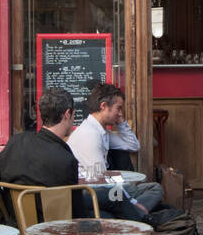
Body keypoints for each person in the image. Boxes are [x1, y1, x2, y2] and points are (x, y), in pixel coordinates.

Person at [0, 86, 90, 219]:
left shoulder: (16, 142)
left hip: (16, 230)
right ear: (67, 114)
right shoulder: (66, 160)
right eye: (73, 115)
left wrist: (2, 216)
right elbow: (76, 214)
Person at [66, 82, 164, 221]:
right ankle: (137, 215)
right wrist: (132, 201)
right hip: (92, 192)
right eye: (118, 109)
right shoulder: (90, 135)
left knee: (155, 188)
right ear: (104, 106)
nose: (120, 113)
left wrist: (121, 122)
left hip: (105, 187)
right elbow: (102, 179)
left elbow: (133, 145)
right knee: (136, 196)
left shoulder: (101, 131)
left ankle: (134, 214)